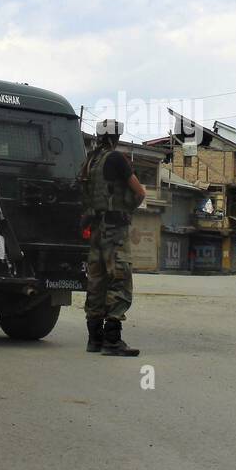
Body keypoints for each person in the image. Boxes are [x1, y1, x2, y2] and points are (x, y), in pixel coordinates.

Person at [80, 119, 146, 356]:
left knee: (96, 281)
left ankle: (94, 339)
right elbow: (139, 192)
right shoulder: (116, 159)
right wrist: (126, 208)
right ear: (116, 137)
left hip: (95, 229)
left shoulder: (90, 161)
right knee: (119, 280)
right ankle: (112, 340)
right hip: (114, 229)